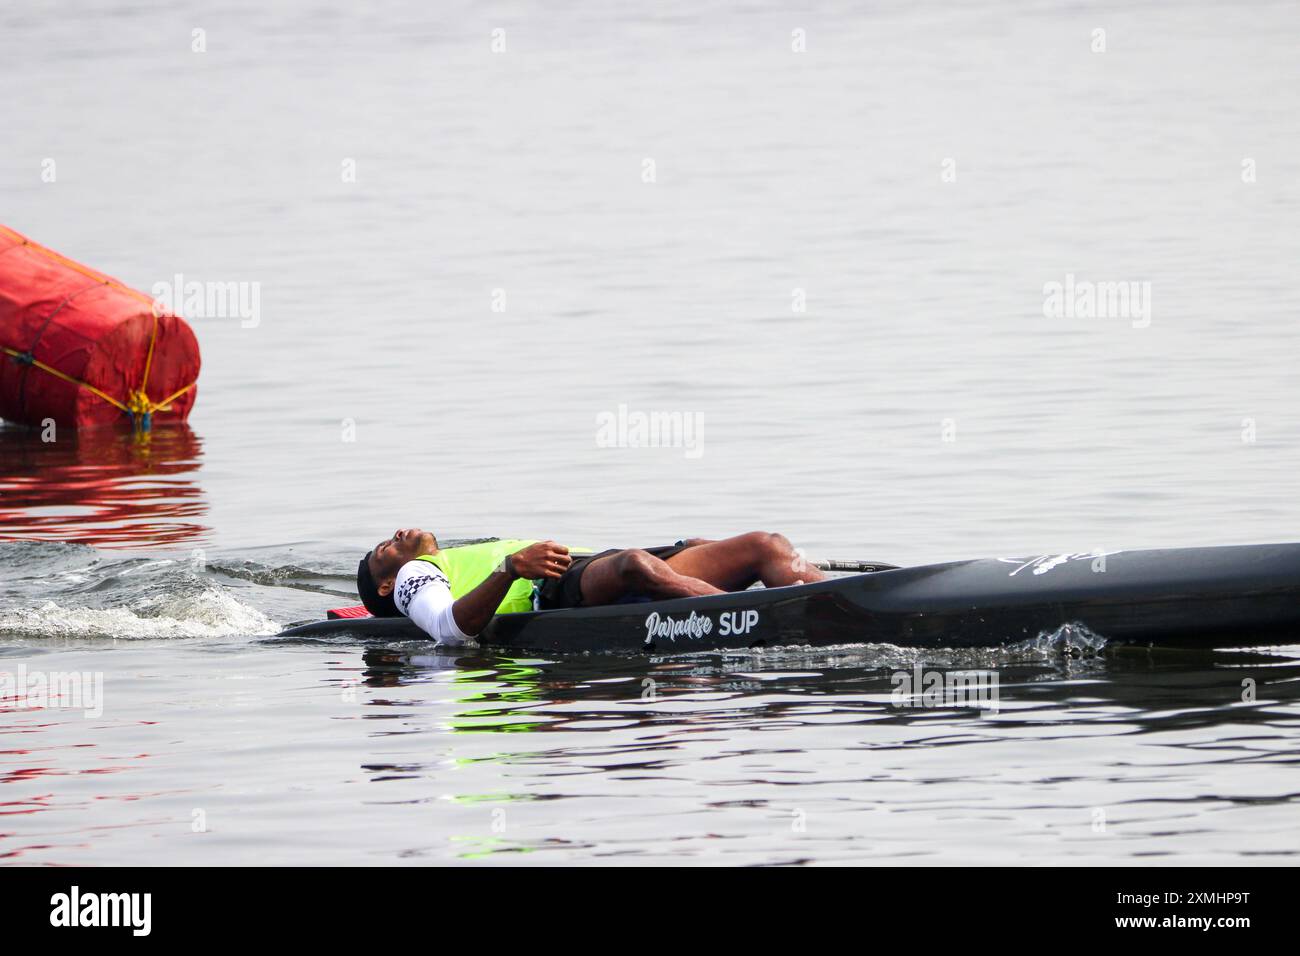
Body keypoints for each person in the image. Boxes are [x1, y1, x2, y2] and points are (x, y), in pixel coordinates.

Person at [355, 529, 825, 644]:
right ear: (386, 585)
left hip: (598, 567)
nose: (395, 536)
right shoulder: (413, 579)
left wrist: (676, 546)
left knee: (765, 546)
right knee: (634, 566)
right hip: (555, 595)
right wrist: (512, 569)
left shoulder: (455, 555)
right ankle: (770, 613)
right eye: (384, 549)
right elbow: (449, 630)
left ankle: (829, 602)